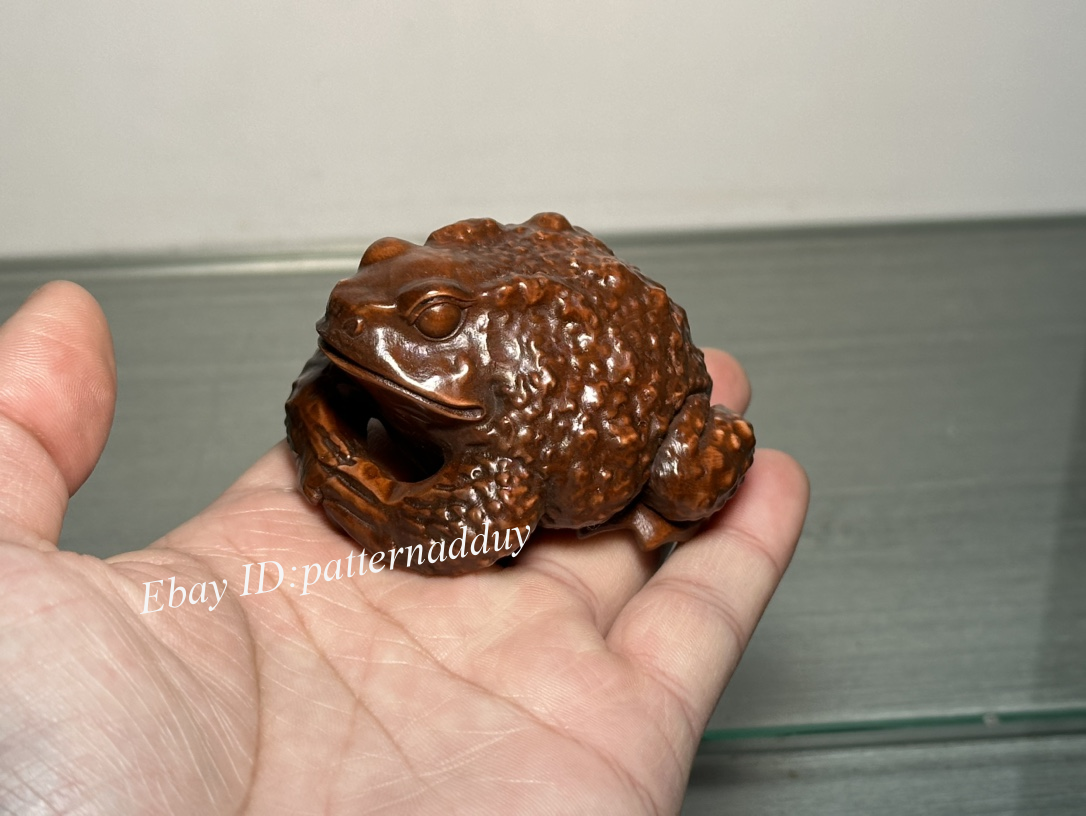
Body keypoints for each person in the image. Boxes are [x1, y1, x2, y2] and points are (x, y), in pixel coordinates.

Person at [0, 281, 809, 814]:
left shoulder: (512, 434)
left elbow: (482, 522)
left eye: (430, 323)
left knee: (692, 471)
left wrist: (353, 480)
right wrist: (333, 432)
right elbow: (323, 383)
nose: (364, 312)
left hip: (650, 413)